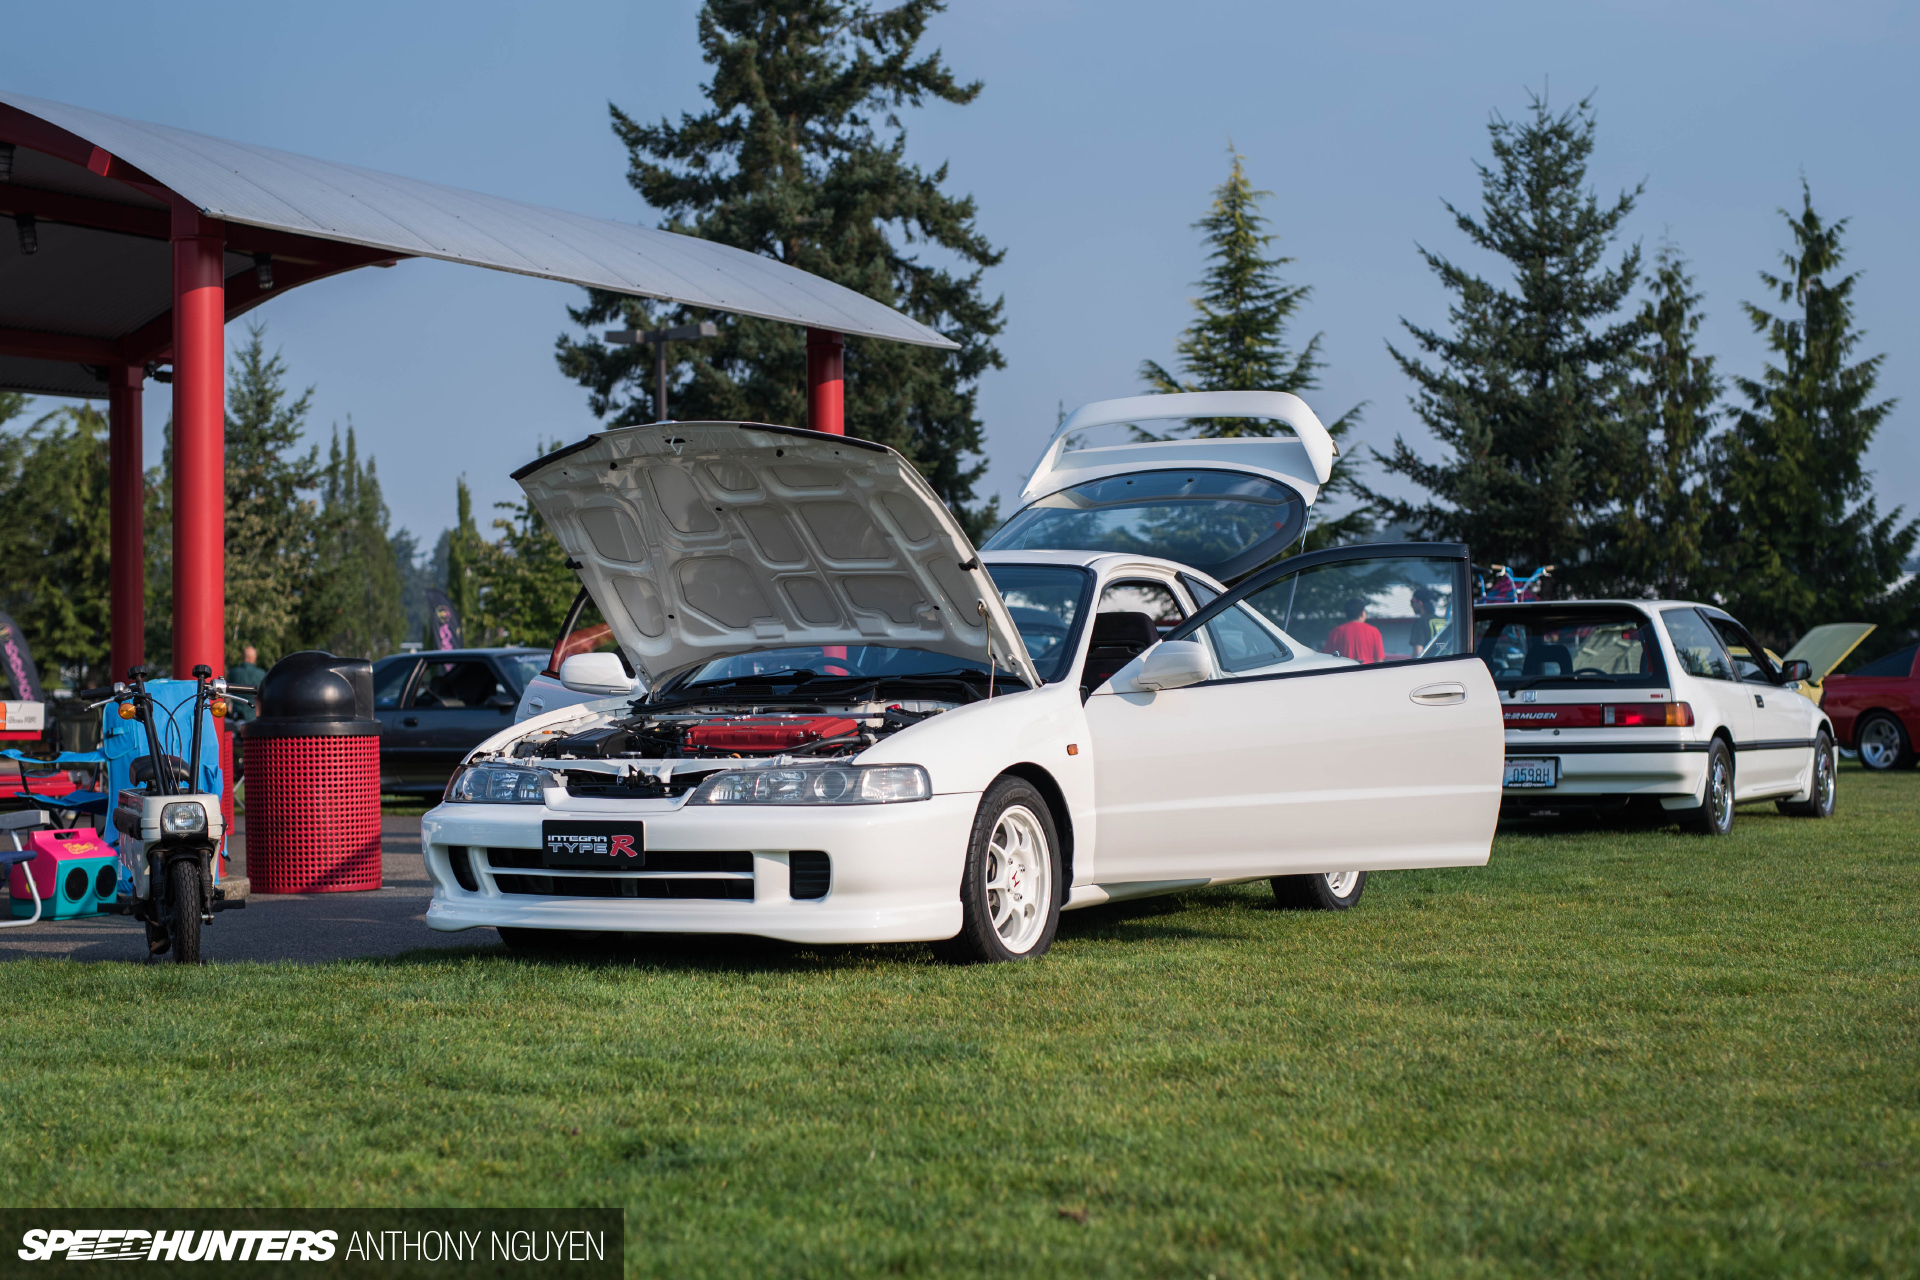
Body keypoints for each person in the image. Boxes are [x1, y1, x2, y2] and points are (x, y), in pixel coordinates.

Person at [1322, 597, 1385, 664]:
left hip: (1344, 673)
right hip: (1367, 673)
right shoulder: (1374, 632)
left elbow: (1327, 659)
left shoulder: (1335, 632)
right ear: (1362, 614)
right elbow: (1379, 660)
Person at [226, 645, 267, 723]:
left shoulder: (233, 673)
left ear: (242, 657)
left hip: (237, 717)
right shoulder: (261, 674)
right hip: (254, 717)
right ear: (255, 658)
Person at [1409, 585, 1447, 654]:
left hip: (1430, 664)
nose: (1412, 605)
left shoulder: (1420, 622)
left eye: (1412, 601)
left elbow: (1418, 652)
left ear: (1420, 603)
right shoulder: (1444, 622)